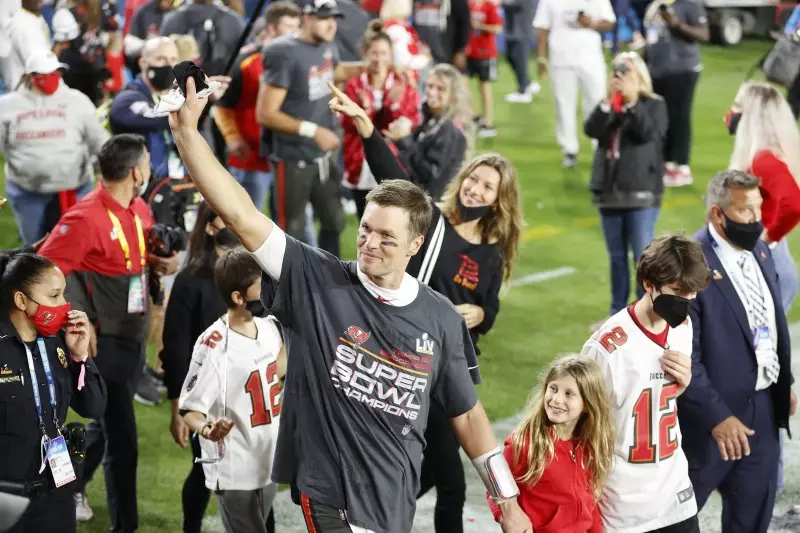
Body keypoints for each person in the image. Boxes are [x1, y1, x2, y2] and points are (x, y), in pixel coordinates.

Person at [168, 75, 532, 533]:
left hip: (394, 501)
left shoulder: (440, 317)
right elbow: (242, 214)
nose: (369, 244)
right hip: (329, 495)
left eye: (386, 237)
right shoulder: (318, 279)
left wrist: (508, 500)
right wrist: (186, 135)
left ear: (415, 245)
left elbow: (468, 414)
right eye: (365, 229)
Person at [330, 82, 523, 532]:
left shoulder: (494, 249)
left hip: (452, 365)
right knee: (450, 479)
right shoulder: (432, 220)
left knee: (436, 470)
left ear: (500, 198)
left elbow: (488, 306)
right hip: (412, 356)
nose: (475, 189)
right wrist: (365, 126)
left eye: (487, 186)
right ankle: (362, 511)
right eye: (473, 178)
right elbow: (388, 174)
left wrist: (480, 316)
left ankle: (360, 511)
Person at [36, 134, 178, 531]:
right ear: (137, 171)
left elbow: (134, 260)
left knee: (102, 421)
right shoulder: (84, 218)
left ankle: (71, 484)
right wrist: (75, 317)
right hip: (106, 341)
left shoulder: (138, 208)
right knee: (124, 441)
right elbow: (41, 272)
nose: (150, 168)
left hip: (132, 337)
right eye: (148, 162)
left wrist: (158, 264)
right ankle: (125, 526)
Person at [678, 170, 796, 533]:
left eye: (758, 209)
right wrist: (717, 416)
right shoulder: (689, 265)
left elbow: (771, 322)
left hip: (761, 412)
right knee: (676, 520)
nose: (756, 220)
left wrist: (782, 380)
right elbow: (684, 357)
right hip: (710, 423)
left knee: (752, 518)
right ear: (718, 214)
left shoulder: (759, 249)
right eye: (746, 212)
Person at [582, 233, 711, 533]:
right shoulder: (605, 349)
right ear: (649, 284)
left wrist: (684, 384)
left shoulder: (683, 328)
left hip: (674, 497)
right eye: (678, 290)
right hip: (623, 508)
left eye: (692, 292)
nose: (687, 301)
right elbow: (580, 432)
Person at [179, 246, 285, 533]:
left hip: (268, 458)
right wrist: (207, 429)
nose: (267, 291)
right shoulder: (214, 345)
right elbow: (190, 409)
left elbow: (275, 371)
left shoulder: (269, 327)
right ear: (238, 297)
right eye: (260, 286)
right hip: (236, 467)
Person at [0, 252, 107, 533]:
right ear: (21, 300)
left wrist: (81, 357)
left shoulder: (58, 343)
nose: (64, 306)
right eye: (54, 296)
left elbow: (94, 408)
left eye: (64, 295)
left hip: (55, 494)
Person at [256, 0, 364, 258]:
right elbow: (266, 113)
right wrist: (313, 130)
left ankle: (331, 279)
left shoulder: (326, 44)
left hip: (324, 155)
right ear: (307, 17)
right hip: (293, 157)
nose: (331, 24)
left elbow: (334, 71)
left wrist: (368, 67)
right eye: (324, 18)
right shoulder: (283, 51)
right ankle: (288, 289)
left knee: (334, 221)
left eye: (334, 18)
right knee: (291, 229)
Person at [160, 202, 240, 533]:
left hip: (247, 394)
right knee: (206, 467)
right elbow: (176, 347)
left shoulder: (254, 274)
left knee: (254, 475)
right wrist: (179, 407)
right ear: (209, 227)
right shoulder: (191, 281)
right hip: (207, 397)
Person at [486, 354, 614, 532]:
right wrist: (507, 517)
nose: (556, 399)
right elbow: (496, 487)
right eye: (553, 389)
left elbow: (589, 504)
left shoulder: (588, 446)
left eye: (569, 394)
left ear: (587, 404)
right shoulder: (525, 444)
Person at [584, 51, 667, 322]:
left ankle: (642, 318)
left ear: (639, 76)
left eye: (625, 72)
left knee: (642, 261)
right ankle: (616, 318)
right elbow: (591, 129)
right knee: (617, 259)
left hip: (641, 196)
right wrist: (610, 102)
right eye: (616, 72)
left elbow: (647, 133)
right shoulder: (610, 106)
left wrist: (631, 102)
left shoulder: (654, 104)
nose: (619, 77)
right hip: (609, 193)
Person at [0, 50, 109, 246]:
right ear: (31, 76)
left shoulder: (77, 101)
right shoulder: (8, 106)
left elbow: (99, 140)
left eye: (55, 73)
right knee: (35, 248)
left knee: (77, 244)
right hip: (27, 192)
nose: (51, 79)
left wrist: (109, 166)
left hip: (74, 188)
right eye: (44, 74)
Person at [215, 1, 302, 212]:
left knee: (292, 223)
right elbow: (221, 105)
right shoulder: (245, 61)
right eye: (288, 27)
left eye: (296, 27)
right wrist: (233, 138)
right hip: (250, 156)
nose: (294, 33)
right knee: (247, 220)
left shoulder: (299, 58)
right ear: (271, 28)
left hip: (288, 154)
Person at [726, 82, 800, 314]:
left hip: (765, 264)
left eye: (737, 106)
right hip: (761, 262)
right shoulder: (762, 156)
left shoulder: (763, 160)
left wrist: (768, 237)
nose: (730, 113)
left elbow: (794, 205)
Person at [339, 22, 421, 219]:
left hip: (393, 160)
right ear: (365, 54)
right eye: (374, 53)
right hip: (359, 161)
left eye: (384, 53)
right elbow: (346, 123)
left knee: (392, 220)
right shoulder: (354, 84)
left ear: (391, 55)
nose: (379, 59)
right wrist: (363, 112)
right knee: (364, 221)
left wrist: (393, 105)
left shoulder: (402, 83)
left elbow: (408, 120)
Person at [534, 0, 615, 168]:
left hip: (590, 58)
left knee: (597, 103)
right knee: (563, 105)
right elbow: (542, 26)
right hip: (561, 58)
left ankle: (599, 147)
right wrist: (541, 56)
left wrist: (591, 23)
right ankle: (569, 150)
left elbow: (610, 21)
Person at [381, 63, 471, 201]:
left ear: (452, 94)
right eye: (430, 86)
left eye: (441, 89)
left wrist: (404, 141)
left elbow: (430, 175)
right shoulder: (430, 117)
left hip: (432, 205)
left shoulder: (451, 129)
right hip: (421, 199)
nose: (432, 92)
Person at [642, 0, 708, 187]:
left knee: (680, 117)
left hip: (682, 70)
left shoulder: (689, 4)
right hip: (657, 71)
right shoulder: (654, 6)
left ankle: (683, 167)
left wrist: (677, 24)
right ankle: (666, 163)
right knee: (662, 118)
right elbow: (652, 40)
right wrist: (637, 63)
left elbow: (704, 34)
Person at [465, 0, 502, 138]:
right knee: (462, 84)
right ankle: (474, 116)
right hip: (470, 51)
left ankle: (488, 123)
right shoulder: (470, 5)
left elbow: (497, 28)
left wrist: (480, 26)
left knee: (484, 87)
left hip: (486, 53)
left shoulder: (489, 6)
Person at [501, 0, 540, 104]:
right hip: (511, 30)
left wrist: (499, 2)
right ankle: (527, 82)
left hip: (522, 30)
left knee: (520, 60)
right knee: (510, 57)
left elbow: (514, 3)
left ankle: (524, 92)